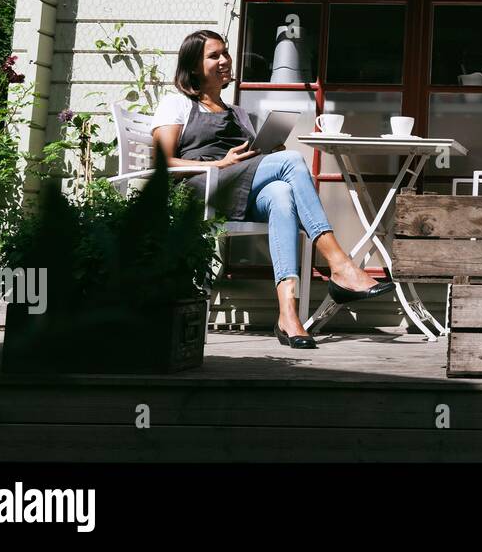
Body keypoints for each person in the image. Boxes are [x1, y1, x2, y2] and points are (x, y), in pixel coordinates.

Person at [152, 29, 394, 350]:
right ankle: (341, 265)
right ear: (193, 66)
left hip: (237, 188)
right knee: (292, 160)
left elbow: (251, 162)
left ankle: (287, 314)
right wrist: (218, 165)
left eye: (225, 53)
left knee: (281, 193)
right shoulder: (178, 104)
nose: (224, 60)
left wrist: (268, 150)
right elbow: (162, 163)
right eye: (214, 56)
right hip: (202, 189)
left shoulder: (237, 112)